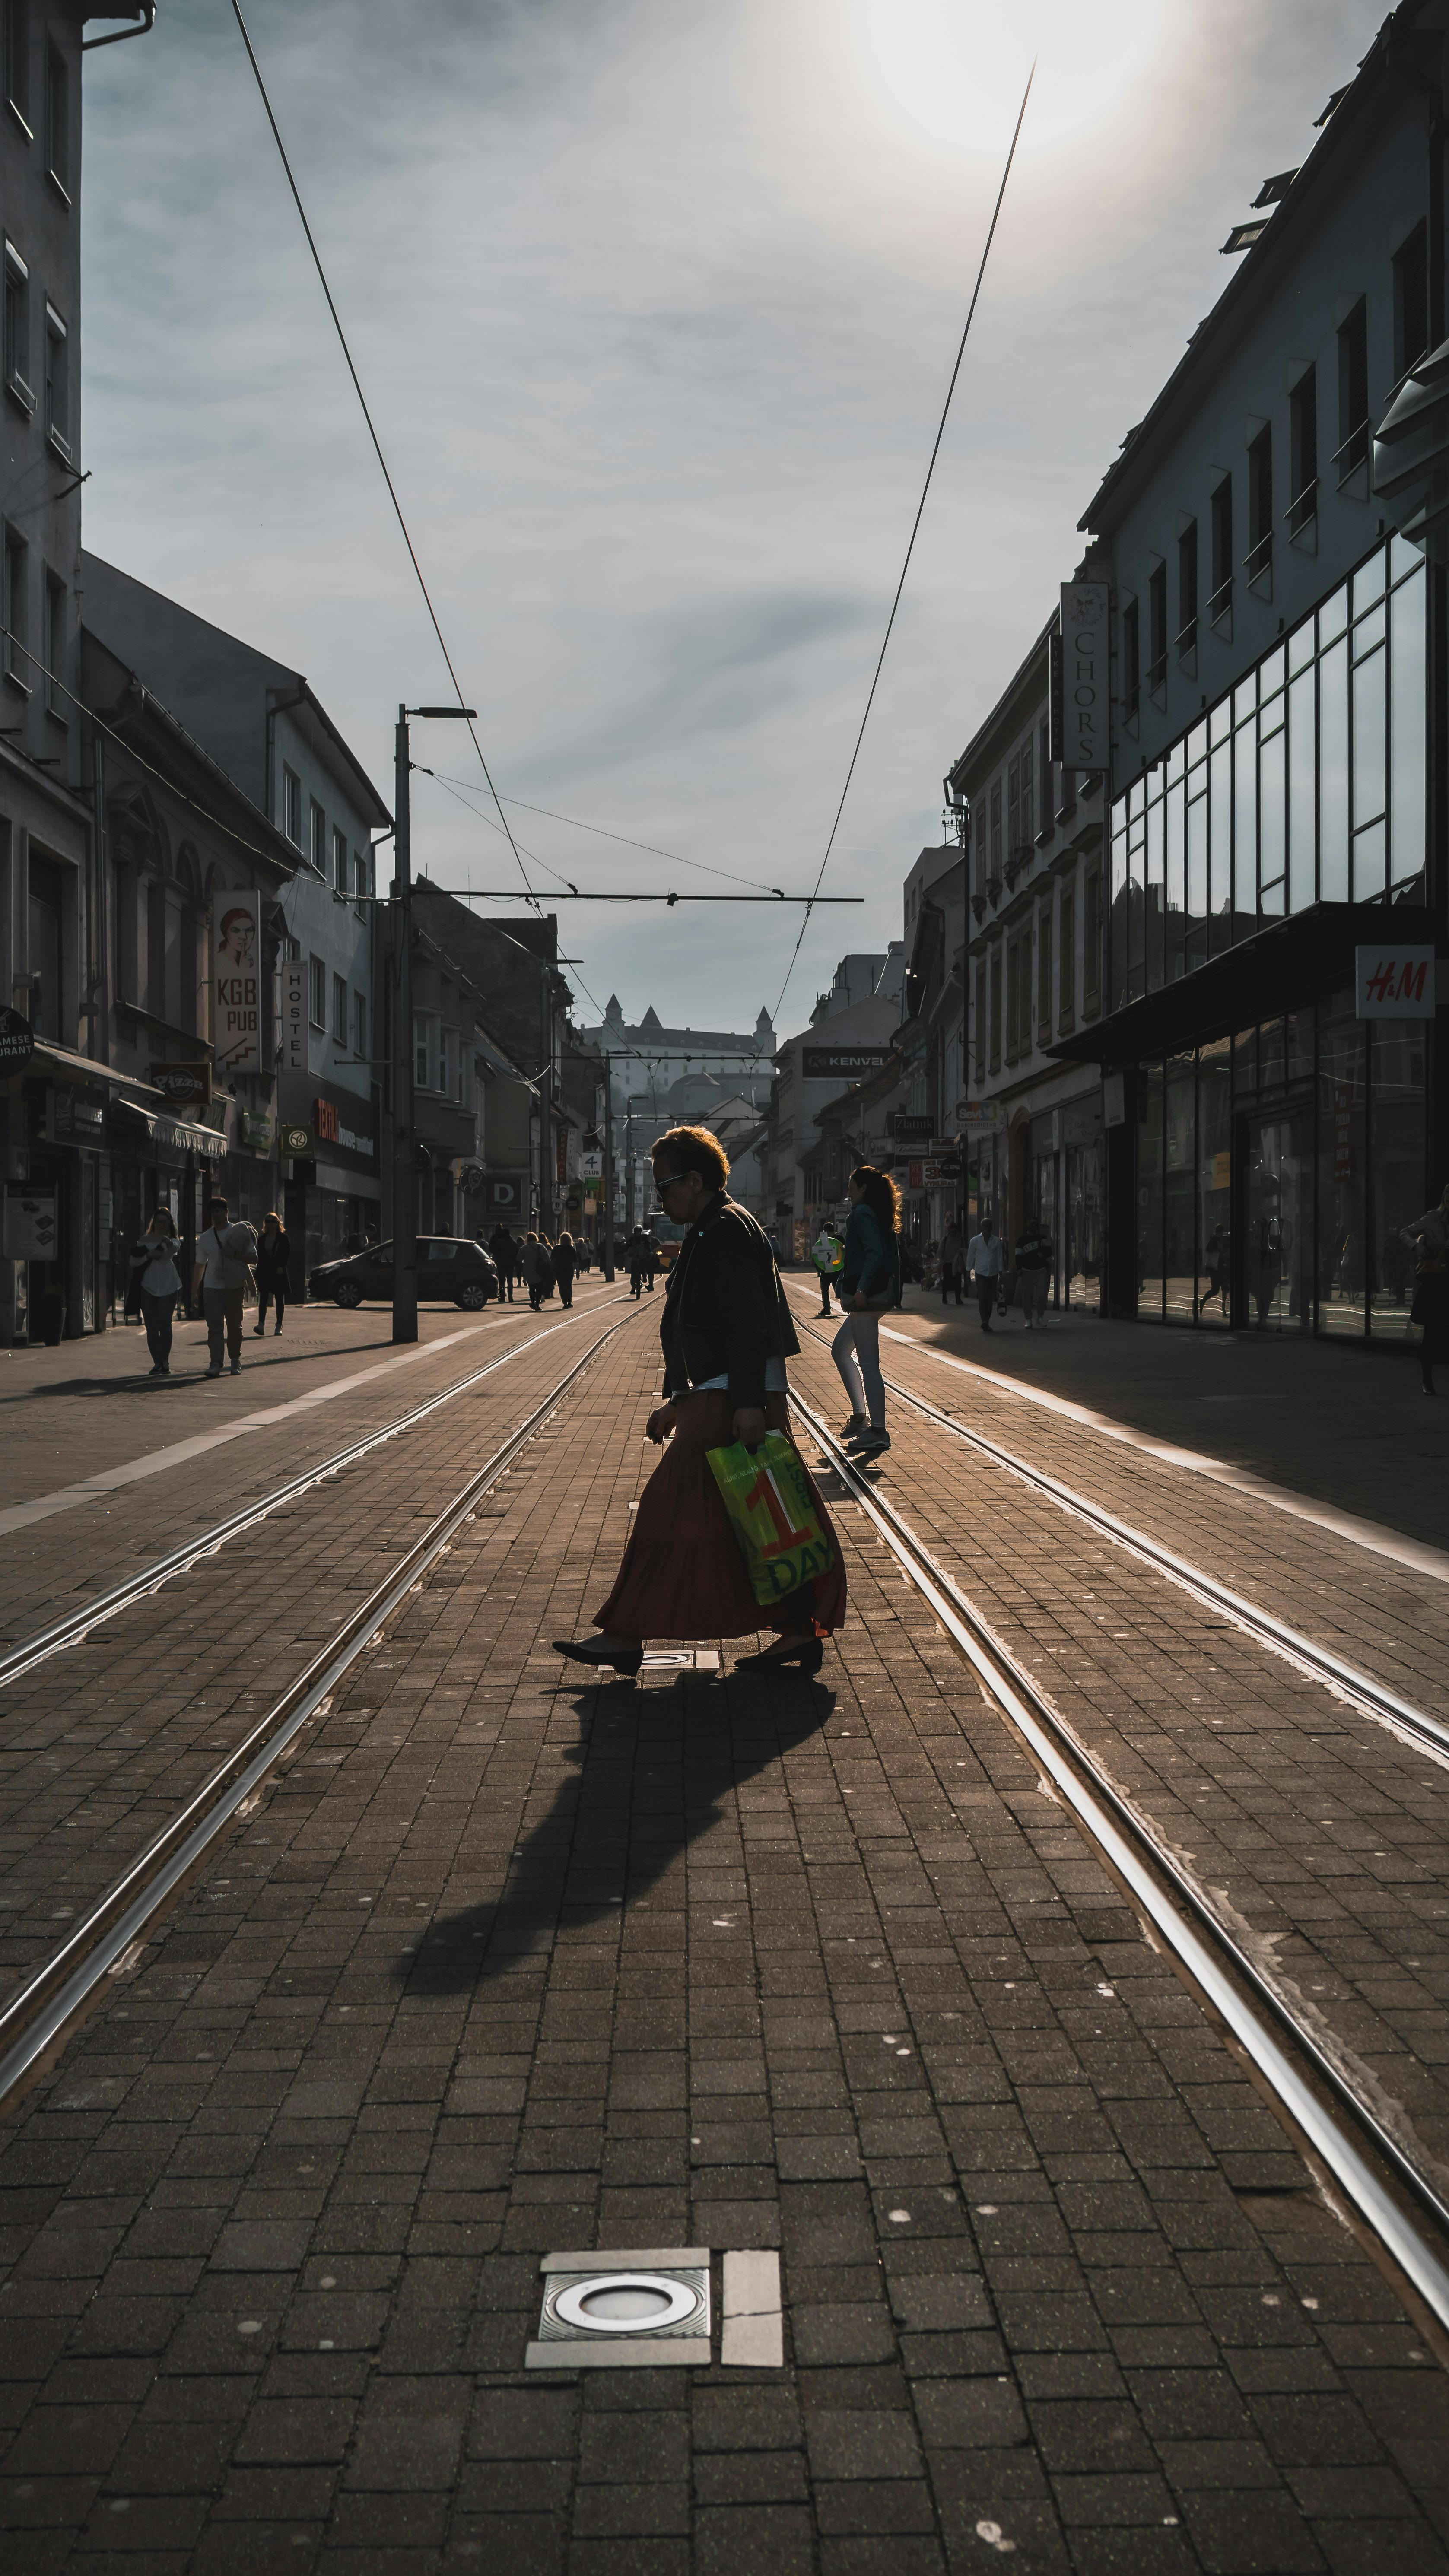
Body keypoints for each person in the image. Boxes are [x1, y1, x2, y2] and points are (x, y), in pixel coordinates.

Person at [553, 1123, 846, 1677]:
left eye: (665, 1187)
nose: (662, 1200)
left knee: (678, 1517)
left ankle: (625, 1636)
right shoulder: (714, 1228)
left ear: (694, 1179)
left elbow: (745, 1325)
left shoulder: (727, 1229)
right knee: (760, 1519)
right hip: (719, 1399)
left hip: (731, 1403)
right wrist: (678, 1403)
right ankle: (797, 1627)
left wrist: (746, 1405)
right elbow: (713, 1329)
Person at [831, 1165, 903, 1460]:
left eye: (852, 1186)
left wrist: (861, 1288)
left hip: (867, 1300)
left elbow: (873, 1254)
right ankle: (861, 1417)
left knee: (870, 1365)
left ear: (863, 1189)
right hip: (874, 1298)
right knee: (840, 1350)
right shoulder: (877, 1212)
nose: (848, 1191)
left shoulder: (862, 1214)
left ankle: (878, 1430)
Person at [192, 1197, 257, 1377]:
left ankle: (235, 1359)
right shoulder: (205, 1238)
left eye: (219, 1211)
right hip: (212, 1287)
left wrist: (235, 1254)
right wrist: (194, 1291)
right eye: (213, 1212)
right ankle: (215, 1363)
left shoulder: (239, 1232)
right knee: (214, 1326)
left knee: (235, 1326)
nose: (216, 1215)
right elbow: (200, 1265)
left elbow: (254, 1258)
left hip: (234, 1286)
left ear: (227, 1212)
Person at [1404, 1185, 1449, 1395]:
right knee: (1431, 1332)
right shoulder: (1433, 1218)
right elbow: (1406, 1233)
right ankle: (1427, 1380)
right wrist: (1418, 1248)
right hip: (1436, 1280)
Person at [129, 1211, 182, 1377]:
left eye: (165, 1222)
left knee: (165, 1324)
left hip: (169, 1285)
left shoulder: (172, 1240)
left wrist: (168, 1242)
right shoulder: (145, 1240)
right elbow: (133, 1261)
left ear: (170, 1224)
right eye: (158, 1222)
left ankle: (165, 1362)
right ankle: (157, 1362)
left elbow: (174, 1249)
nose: (161, 1225)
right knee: (151, 1326)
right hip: (148, 1285)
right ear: (154, 1223)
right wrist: (148, 1255)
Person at [252, 1211, 291, 1337]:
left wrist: (281, 1266)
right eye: (268, 1221)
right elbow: (260, 1256)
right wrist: (258, 1273)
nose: (271, 1224)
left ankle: (279, 1325)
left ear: (278, 1223)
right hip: (265, 1271)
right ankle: (261, 1325)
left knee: (279, 1298)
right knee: (263, 1299)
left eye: (273, 1221)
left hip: (278, 1271)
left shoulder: (283, 1238)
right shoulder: (262, 1238)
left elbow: (286, 1253)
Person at [966, 1213, 1004, 1332]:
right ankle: (984, 1321)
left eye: (990, 1226)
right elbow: (970, 1257)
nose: (988, 1227)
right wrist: (967, 1274)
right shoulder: (975, 1241)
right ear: (982, 1227)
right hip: (980, 1273)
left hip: (993, 1274)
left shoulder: (997, 1241)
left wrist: (1001, 1274)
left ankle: (987, 1321)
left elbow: (999, 1258)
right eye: (986, 1226)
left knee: (990, 1298)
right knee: (983, 1297)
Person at [1014, 1213, 1053, 1332]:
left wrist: (1044, 1255)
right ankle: (1028, 1319)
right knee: (1027, 1297)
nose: (1034, 1226)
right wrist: (1019, 1269)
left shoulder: (1043, 1238)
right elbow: (1018, 1256)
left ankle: (1040, 1317)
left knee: (1041, 1295)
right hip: (1027, 1271)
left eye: (1036, 1224)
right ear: (1028, 1225)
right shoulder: (1022, 1240)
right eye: (1032, 1224)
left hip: (1040, 1271)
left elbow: (1050, 1251)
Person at [811, 1220, 845, 1317]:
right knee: (825, 1289)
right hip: (827, 1269)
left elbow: (843, 1251)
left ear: (826, 1231)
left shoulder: (838, 1238)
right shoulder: (824, 1240)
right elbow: (817, 1252)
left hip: (836, 1269)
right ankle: (827, 1309)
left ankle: (847, 1307)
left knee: (838, 1290)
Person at [939, 1220, 965, 1307]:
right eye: (952, 1230)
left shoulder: (960, 1238)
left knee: (957, 1281)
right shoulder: (945, 1239)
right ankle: (945, 1297)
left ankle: (958, 1299)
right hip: (948, 1263)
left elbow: (963, 1249)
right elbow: (941, 1251)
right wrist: (942, 1260)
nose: (953, 1232)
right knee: (947, 1281)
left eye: (954, 1230)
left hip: (957, 1263)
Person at [521, 1231, 550, 1312]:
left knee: (532, 1288)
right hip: (540, 1270)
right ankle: (537, 1304)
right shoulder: (541, 1246)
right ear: (536, 1238)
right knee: (539, 1288)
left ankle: (533, 1302)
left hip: (529, 1271)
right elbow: (547, 1258)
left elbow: (519, 1259)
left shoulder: (524, 1248)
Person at [489, 1224, 518, 1301]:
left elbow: (493, 1250)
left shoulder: (499, 1241)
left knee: (502, 1281)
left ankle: (502, 1296)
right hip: (510, 1264)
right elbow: (517, 1252)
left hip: (501, 1263)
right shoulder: (513, 1242)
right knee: (510, 1281)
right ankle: (510, 1297)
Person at [553, 1230, 576, 1309]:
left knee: (561, 1286)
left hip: (559, 1270)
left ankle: (565, 1302)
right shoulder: (571, 1249)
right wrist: (578, 1272)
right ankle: (569, 1302)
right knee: (568, 1285)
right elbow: (576, 1261)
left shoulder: (556, 1248)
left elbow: (552, 1260)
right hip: (569, 1270)